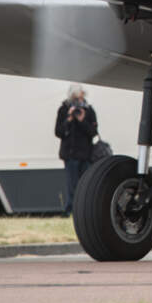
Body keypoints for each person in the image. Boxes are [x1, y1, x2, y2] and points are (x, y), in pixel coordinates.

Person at [54, 84, 98, 216]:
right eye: (75, 99)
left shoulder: (89, 111)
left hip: (86, 155)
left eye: (80, 98)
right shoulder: (63, 110)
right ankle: (71, 210)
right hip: (70, 155)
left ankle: (84, 211)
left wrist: (82, 120)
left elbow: (93, 132)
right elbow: (58, 132)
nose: (78, 102)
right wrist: (68, 119)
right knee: (72, 186)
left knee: (86, 185)